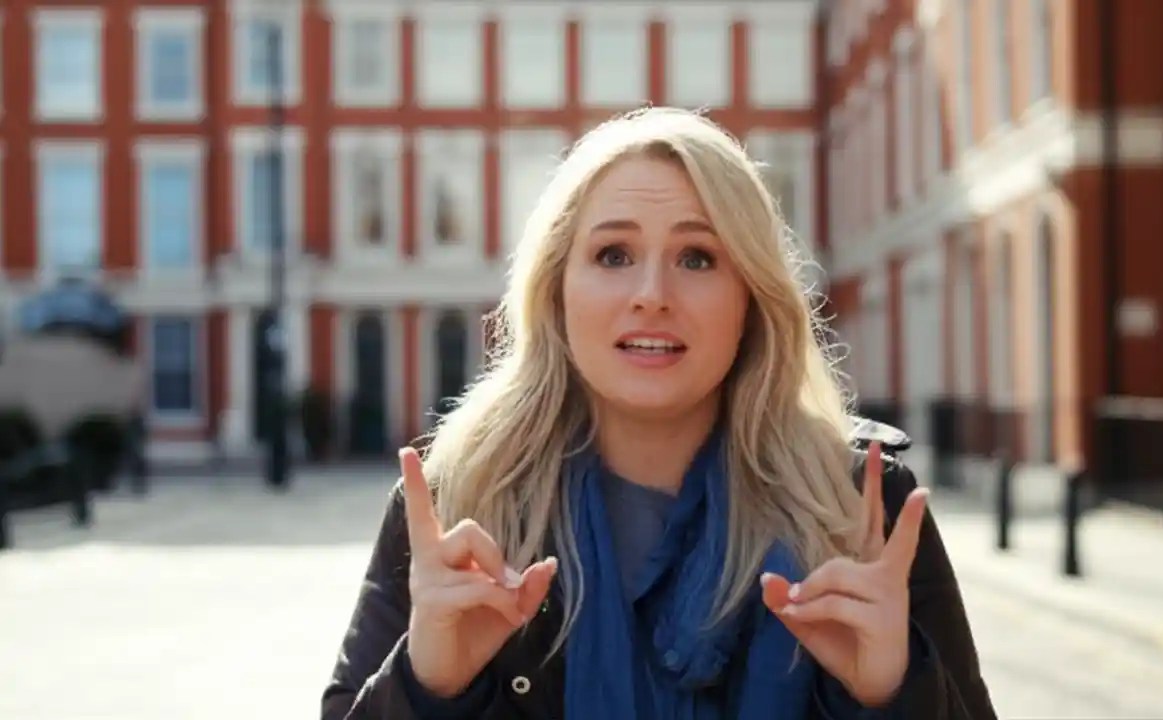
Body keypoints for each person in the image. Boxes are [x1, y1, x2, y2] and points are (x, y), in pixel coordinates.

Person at [322, 107, 996, 720]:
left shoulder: (860, 506)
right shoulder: (455, 507)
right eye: (613, 255)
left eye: (698, 257)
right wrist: (427, 687)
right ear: (555, 291)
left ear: (750, 299)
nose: (652, 294)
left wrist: (894, 696)